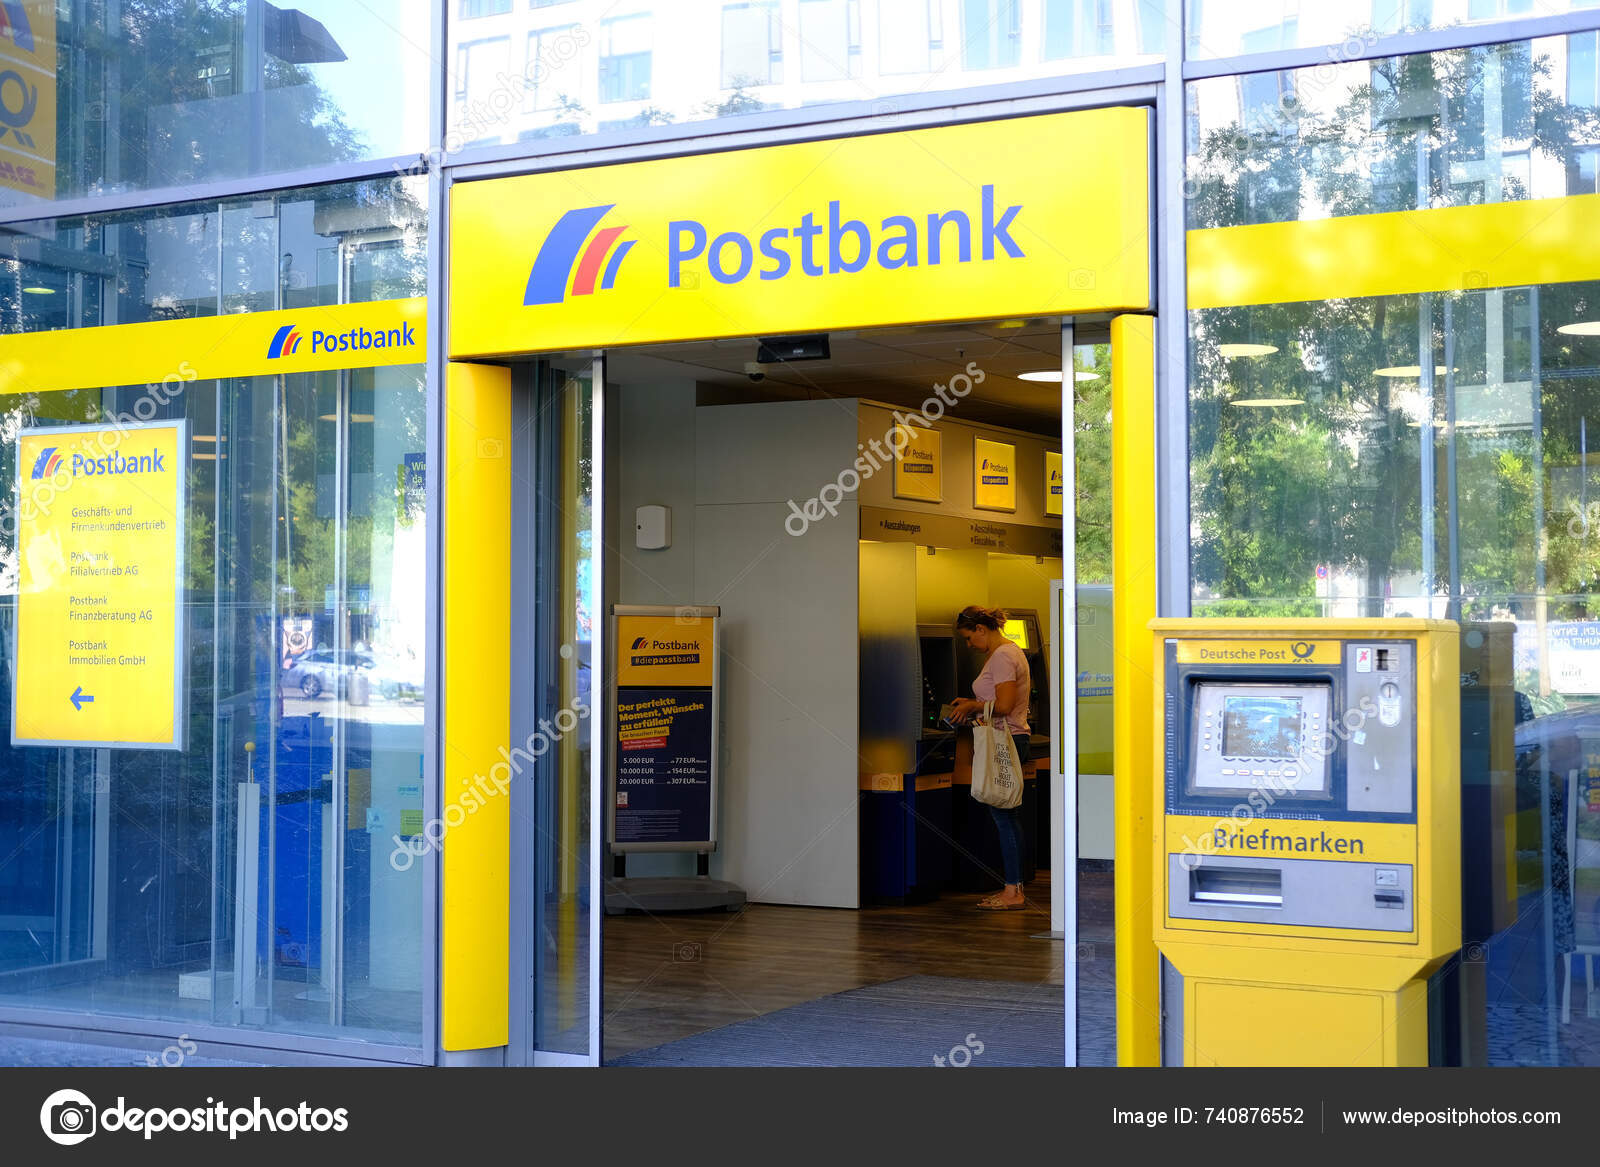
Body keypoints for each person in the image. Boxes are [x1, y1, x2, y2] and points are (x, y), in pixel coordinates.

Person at [947, 604, 1031, 911]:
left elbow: (1005, 706)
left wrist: (972, 706)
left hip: (1005, 741)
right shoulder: (1009, 652)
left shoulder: (1002, 656)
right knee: (1007, 815)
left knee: (1004, 817)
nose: (969, 645)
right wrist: (973, 702)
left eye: (969, 638)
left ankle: (1014, 892)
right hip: (1011, 739)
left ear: (981, 629)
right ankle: (1014, 887)